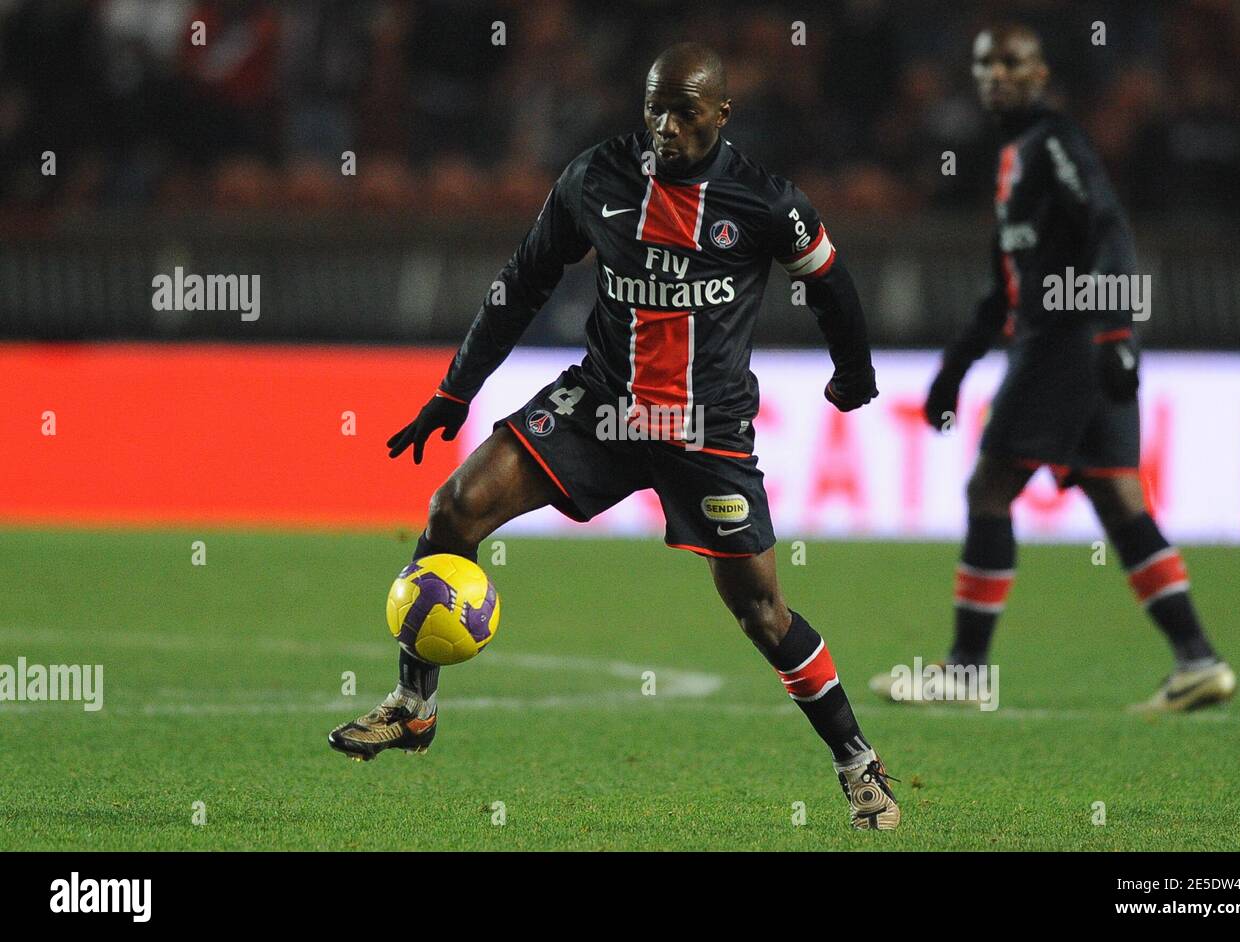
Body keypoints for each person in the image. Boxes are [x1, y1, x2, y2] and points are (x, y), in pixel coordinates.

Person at [329, 43, 899, 830]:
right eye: (654, 107)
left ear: (722, 114)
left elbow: (831, 285)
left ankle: (857, 762)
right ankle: (413, 705)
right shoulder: (595, 178)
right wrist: (454, 390)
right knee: (454, 509)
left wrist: (854, 374)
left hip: (705, 427)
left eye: (685, 111)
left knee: (762, 613)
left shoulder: (767, 203)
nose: (665, 126)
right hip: (602, 405)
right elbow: (522, 280)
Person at [869, 24, 1233, 713]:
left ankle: (966, 670)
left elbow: (1110, 229)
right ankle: (1199, 660)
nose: (996, 74)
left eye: (1013, 63)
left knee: (989, 487)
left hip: (1068, 342)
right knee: (1118, 499)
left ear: (1041, 76)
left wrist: (1116, 333)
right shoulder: (1014, 157)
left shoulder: (1055, 142)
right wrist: (955, 368)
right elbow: (1003, 288)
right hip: (1079, 344)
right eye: (986, 64)